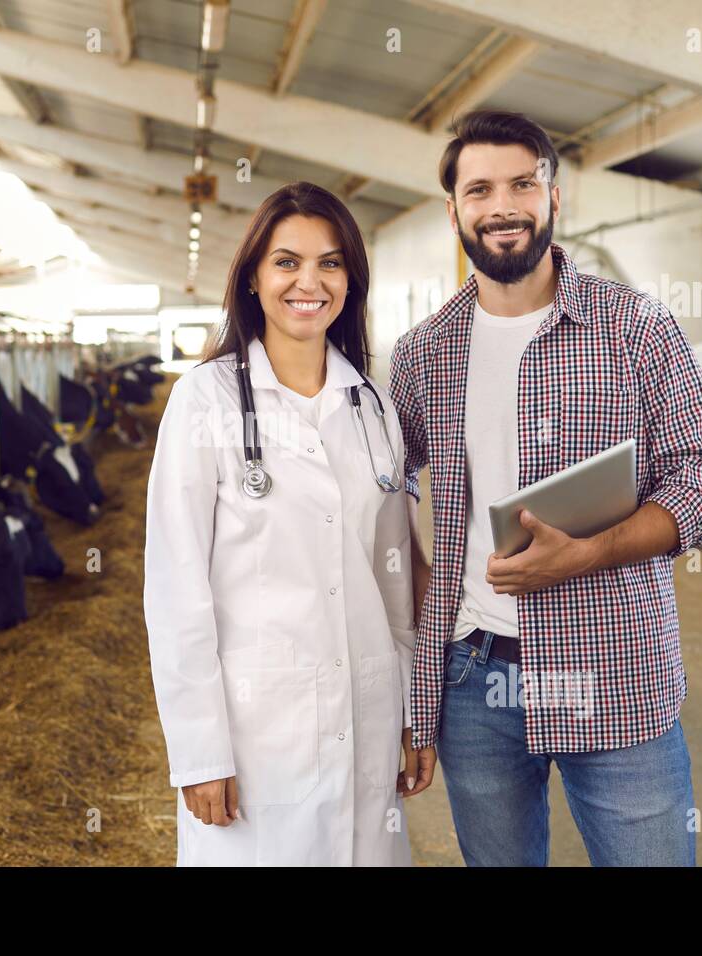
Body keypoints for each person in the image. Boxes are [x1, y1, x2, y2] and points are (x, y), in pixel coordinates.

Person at [390, 110, 702, 866]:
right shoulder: (421, 356)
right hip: (473, 676)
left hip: (612, 664)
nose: (502, 205)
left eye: (523, 183)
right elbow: (386, 492)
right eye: (479, 189)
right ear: (454, 210)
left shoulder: (636, 328)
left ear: (555, 197)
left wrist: (588, 552)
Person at [144, 181, 433, 867]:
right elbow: (176, 589)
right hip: (255, 732)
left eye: (331, 263)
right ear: (252, 277)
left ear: (351, 281)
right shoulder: (202, 403)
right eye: (287, 262)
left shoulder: (372, 407)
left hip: (366, 713)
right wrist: (198, 749)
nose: (310, 281)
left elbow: (394, 579)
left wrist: (417, 710)